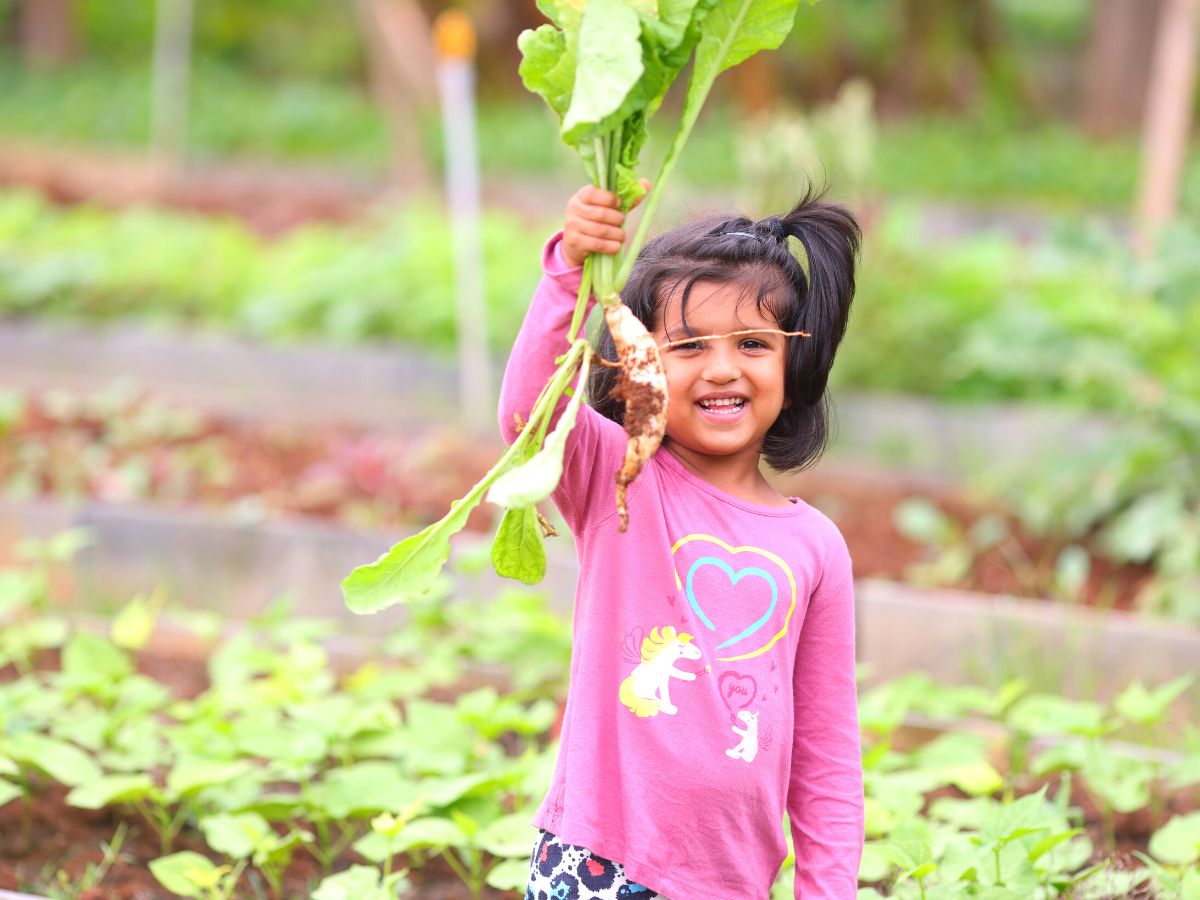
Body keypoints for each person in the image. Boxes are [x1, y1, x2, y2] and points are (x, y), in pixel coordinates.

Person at [500, 182, 864, 900]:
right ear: (641, 364)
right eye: (689, 346)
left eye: (753, 344)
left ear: (794, 366)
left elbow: (826, 756)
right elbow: (527, 417)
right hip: (600, 862)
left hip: (733, 883)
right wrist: (571, 265)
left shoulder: (816, 547)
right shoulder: (619, 479)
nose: (723, 369)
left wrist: (828, 890)